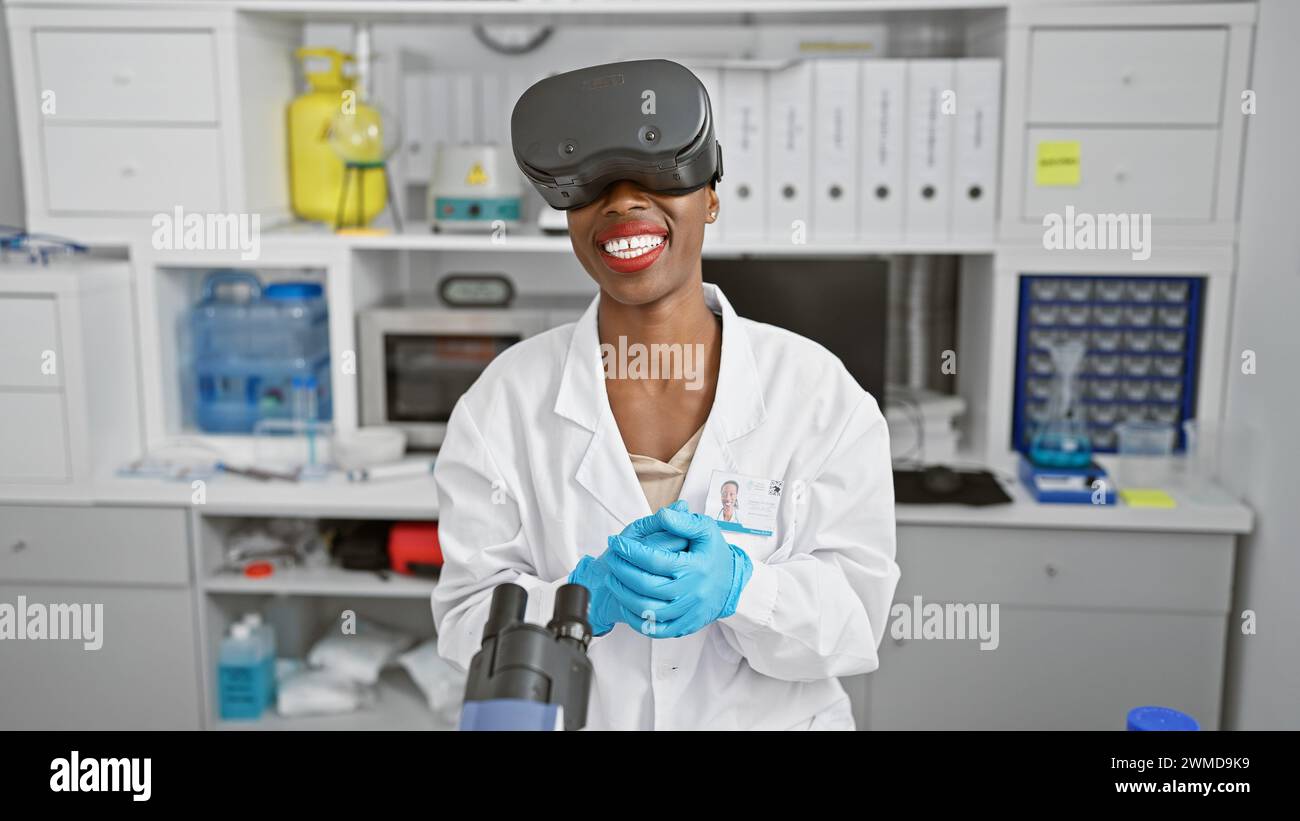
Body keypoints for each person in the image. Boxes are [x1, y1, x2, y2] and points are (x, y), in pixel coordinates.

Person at [432, 60, 899, 730]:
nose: (622, 203)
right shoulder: (500, 405)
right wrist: (573, 603)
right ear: (568, 216)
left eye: (653, 176)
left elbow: (855, 621)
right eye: (593, 185)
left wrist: (744, 587)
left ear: (710, 195)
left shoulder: (821, 396)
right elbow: (462, 620)